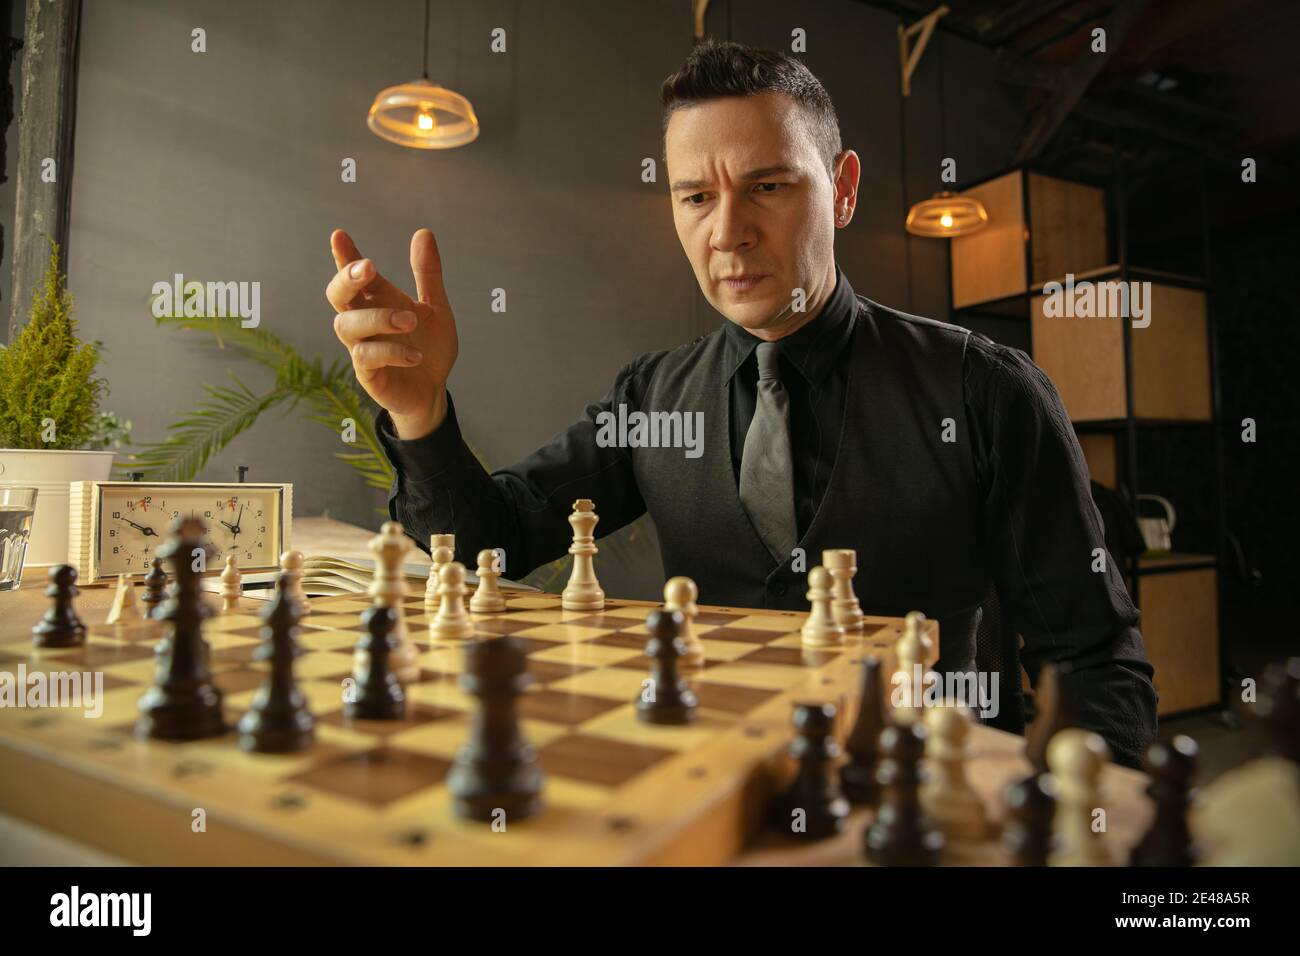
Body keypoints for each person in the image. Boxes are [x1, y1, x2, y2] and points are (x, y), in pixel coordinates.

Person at [323, 40, 1157, 767]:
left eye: (767, 186)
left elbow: (1090, 655)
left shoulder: (986, 390)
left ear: (843, 190)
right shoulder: (651, 396)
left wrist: (1076, 824)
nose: (728, 232)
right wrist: (421, 411)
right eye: (696, 196)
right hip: (713, 795)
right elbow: (485, 548)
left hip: (921, 809)